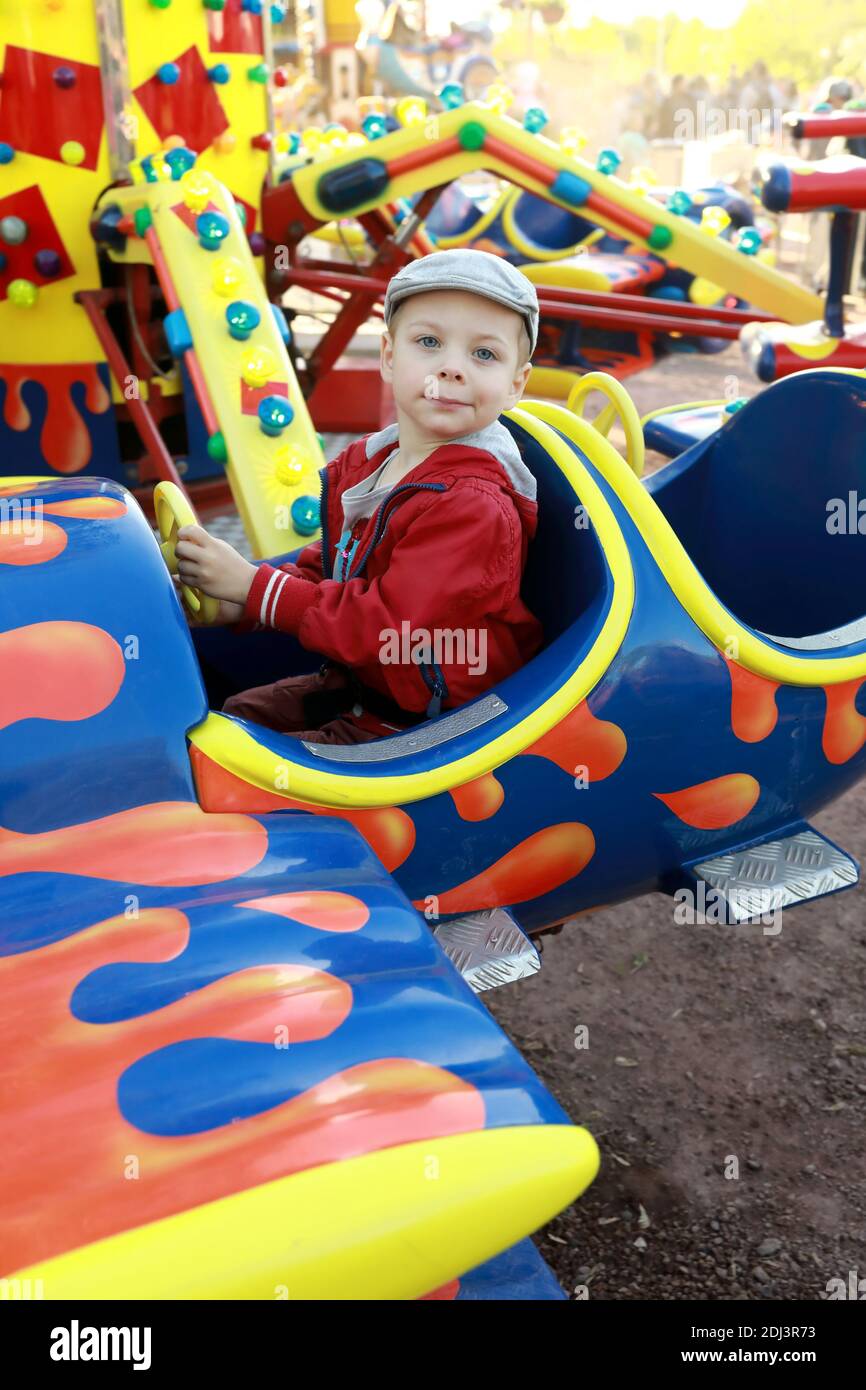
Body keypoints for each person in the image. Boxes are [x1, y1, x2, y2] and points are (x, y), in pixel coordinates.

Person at [175, 250, 545, 745]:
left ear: (515, 384)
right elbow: (332, 566)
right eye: (429, 342)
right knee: (238, 715)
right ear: (390, 357)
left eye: (484, 354)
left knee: (241, 763)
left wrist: (256, 588)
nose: (452, 368)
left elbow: (387, 626)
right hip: (364, 682)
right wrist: (239, 604)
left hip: (435, 723)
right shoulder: (379, 461)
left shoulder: (474, 504)